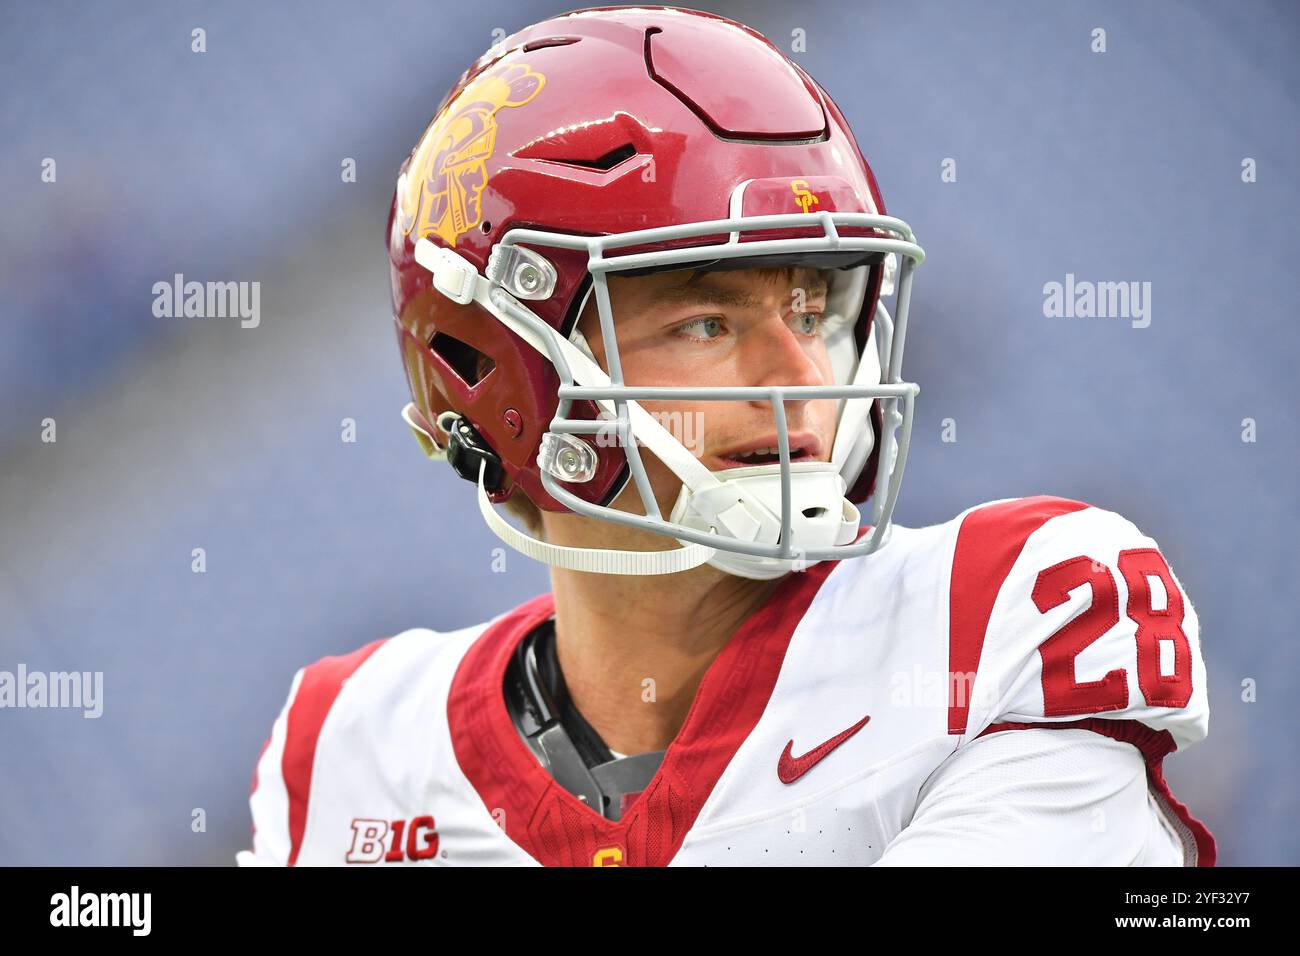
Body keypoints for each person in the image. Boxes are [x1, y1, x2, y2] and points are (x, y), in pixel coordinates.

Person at [239, 6, 1213, 866]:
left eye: (816, 305)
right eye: (706, 323)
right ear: (499, 375)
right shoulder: (349, 748)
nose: (801, 375)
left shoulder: (1014, 614)